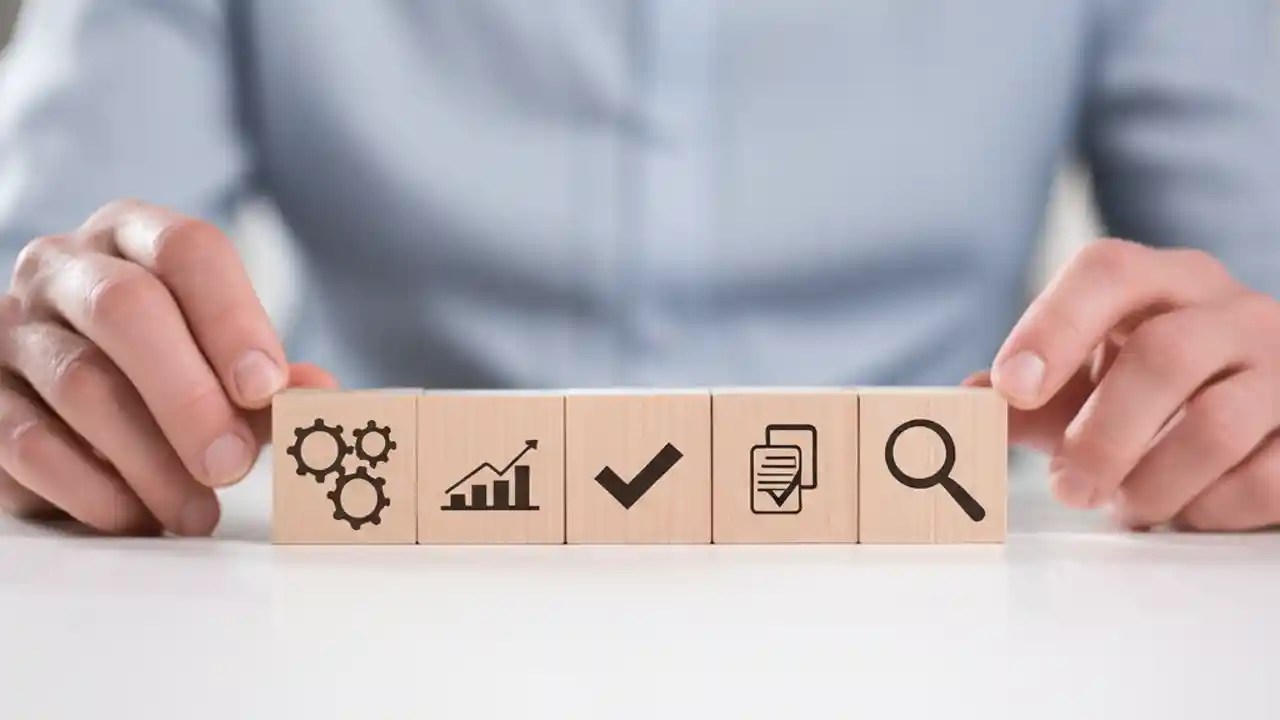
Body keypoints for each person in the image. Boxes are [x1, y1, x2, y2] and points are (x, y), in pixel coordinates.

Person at [0, 1, 1277, 537]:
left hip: (938, 601)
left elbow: (1249, 300)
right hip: (380, 595)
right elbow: (50, 267)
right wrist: (54, 362)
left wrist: (1242, 389)